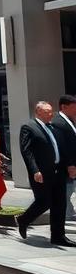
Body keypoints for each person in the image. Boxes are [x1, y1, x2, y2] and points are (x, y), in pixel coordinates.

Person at [18, 100, 76, 246]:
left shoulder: (54, 127)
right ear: (38, 112)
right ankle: (23, 220)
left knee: (59, 204)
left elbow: (62, 148)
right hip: (42, 173)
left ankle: (58, 236)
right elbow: (27, 152)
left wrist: (69, 165)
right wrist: (35, 170)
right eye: (47, 111)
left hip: (59, 171)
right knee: (44, 201)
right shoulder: (29, 127)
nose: (51, 114)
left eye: (51, 111)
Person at [52, 94, 76, 222]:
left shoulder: (69, 120)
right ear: (64, 107)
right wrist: (70, 164)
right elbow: (62, 146)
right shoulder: (59, 123)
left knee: (68, 190)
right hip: (67, 165)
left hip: (72, 164)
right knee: (67, 191)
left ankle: (69, 213)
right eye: (73, 107)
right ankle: (67, 214)